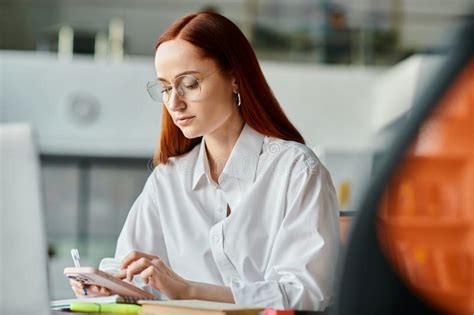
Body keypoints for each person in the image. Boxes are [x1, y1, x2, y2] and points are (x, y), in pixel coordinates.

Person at [70, 12, 339, 311]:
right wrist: (106, 284)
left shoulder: (296, 170)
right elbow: (130, 267)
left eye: (189, 83)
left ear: (235, 78)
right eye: (166, 88)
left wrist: (187, 290)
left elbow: (307, 293)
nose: (174, 103)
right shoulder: (168, 179)